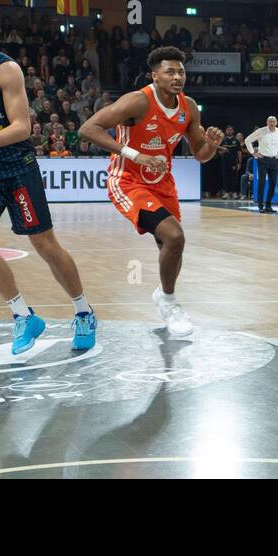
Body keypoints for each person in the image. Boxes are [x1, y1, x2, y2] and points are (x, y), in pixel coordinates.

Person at [0, 5, 96, 356]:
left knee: (45, 245)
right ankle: (22, 315)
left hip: (15, 167)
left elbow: (22, 127)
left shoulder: (7, 68)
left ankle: (84, 311)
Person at [79, 46, 226, 337]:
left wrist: (210, 144)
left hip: (162, 183)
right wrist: (135, 155)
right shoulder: (137, 102)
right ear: (154, 75)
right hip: (128, 180)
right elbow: (88, 129)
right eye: (170, 71)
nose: (177, 76)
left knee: (172, 245)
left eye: (181, 71)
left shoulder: (189, 107)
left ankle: (163, 294)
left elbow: (200, 155)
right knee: (174, 235)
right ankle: (170, 302)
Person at [245, 116, 278, 213]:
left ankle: (268, 205)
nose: (272, 123)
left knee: (273, 184)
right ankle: (260, 205)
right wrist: (253, 152)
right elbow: (247, 140)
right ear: (267, 123)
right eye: (270, 121)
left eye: (273, 121)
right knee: (262, 183)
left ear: (276, 122)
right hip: (262, 159)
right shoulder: (261, 131)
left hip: (274, 160)